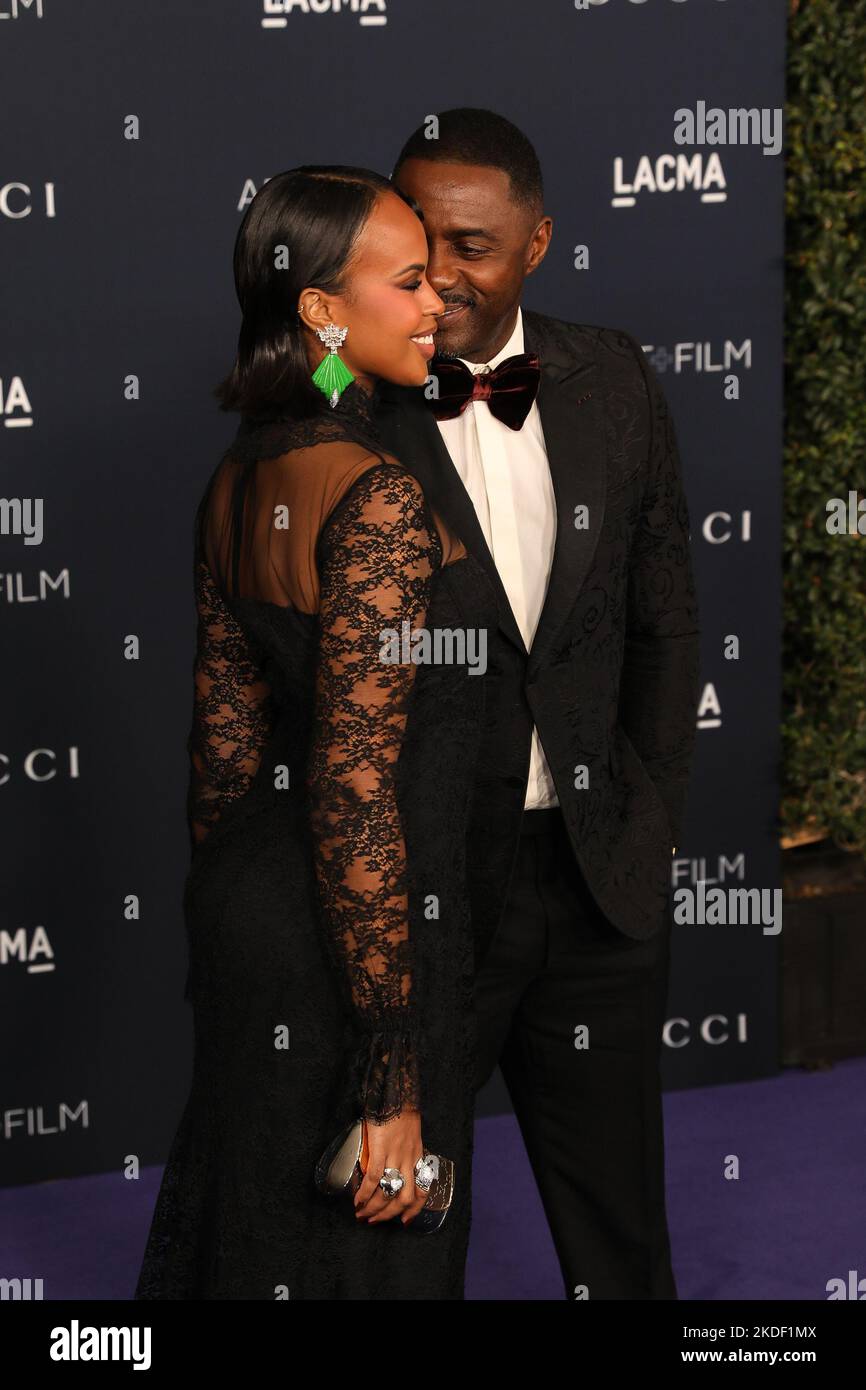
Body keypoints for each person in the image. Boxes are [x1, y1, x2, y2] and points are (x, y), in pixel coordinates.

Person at [134, 167, 497, 1299]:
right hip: (360, 939)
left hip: (255, 913)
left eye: (436, 278)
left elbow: (224, 751)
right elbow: (351, 789)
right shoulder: (376, 496)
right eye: (407, 281)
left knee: (250, 1237)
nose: (436, 303)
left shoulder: (241, 477)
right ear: (322, 312)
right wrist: (389, 1074)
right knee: (364, 1259)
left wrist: (230, 937)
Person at [374, 109, 701, 1299]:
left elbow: (664, 618)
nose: (438, 275)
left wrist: (646, 817)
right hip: (419, 887)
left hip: (590, 869)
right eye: (414, 239)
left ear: (536, 243)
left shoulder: (611, 377)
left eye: (469, 245)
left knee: (617, 1227)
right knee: (395, 1231)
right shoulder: (340, 396)